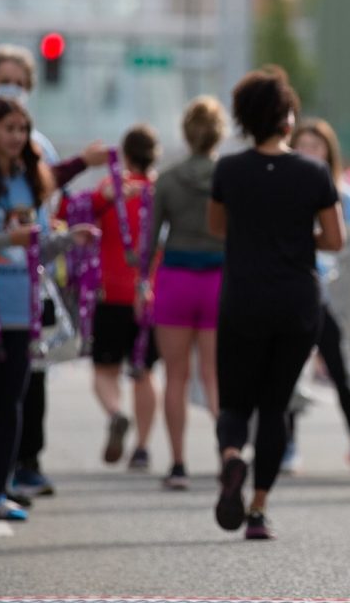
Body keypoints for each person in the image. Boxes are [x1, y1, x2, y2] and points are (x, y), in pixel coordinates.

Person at [209, 66, 343, 541]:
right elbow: (334, 238)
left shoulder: (228, 169)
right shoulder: (313, 172)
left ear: (244, 119)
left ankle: (231, 460)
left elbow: (218, 227)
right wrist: (294, 235)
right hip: (295, 301)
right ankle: (259, 510)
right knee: (274, 405)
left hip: (242, 296)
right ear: (288, 120)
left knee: (235, 402)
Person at [0, 97, 94, 521]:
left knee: (12, 400)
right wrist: (2, 243)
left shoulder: (31, 182)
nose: (17, 137)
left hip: (20, 308)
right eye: (9, 128)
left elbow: (35, 247)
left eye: (22, 130)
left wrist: (69, 239)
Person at [0, 46, 110, 500]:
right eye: (3, 78)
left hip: (27, 283)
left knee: (25, 379)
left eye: (18, 80)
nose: (10, 87)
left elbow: (44, 193)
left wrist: (64, 237)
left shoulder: (38, 152)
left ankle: (17, 468)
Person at [142, 96, 227, 491]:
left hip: (175, 277)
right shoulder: (227, 175)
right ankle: (229, 455)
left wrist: (142, 277)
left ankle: (178, 463)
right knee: (215, 376)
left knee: (175, 376)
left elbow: (149, 239)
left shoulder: (169, 179)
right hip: (217, 278)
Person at [289, 118, 350, 474]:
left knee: (341, 372)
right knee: (288, 372)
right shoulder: (284, 187)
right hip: (295, 289)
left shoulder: (344, 193)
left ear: (328, 152)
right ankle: (287, 444)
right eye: (302, 146)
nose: (309, 153)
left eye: (316, 147)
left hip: (333, 297)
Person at [80, 126, 160, 471]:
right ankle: (141, 447)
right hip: (149, 294)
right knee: (143, 373)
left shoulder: (111, 189)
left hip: (110, 292)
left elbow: (83, 216)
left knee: (104, 370)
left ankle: (115, 413)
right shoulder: (158, 193)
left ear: (126, 155)